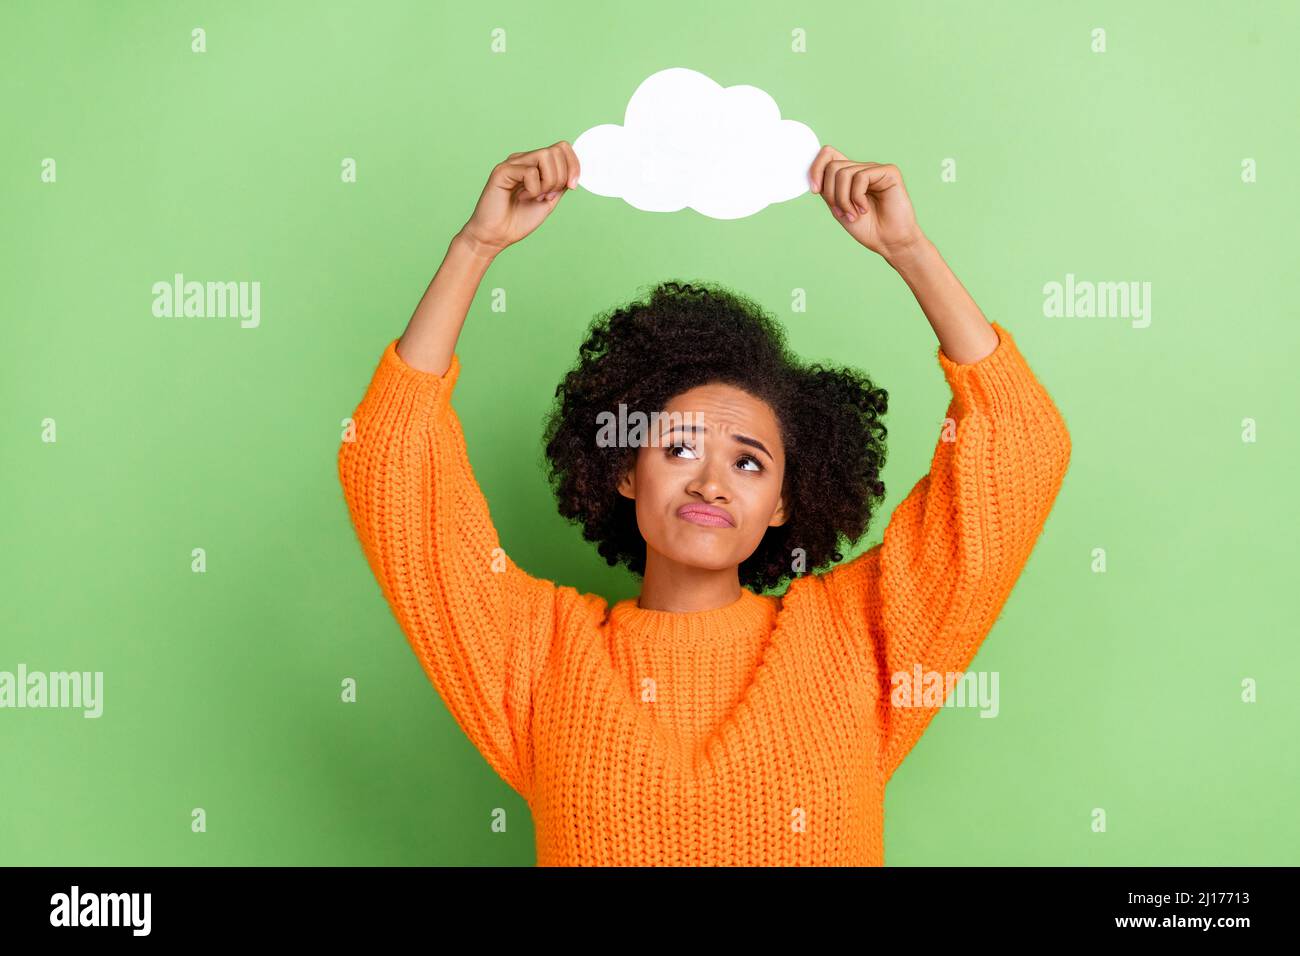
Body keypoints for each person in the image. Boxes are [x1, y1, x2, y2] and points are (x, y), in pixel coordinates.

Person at [337, 141, 1072, 866]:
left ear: (784, 501)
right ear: (626, 471)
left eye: (748, 463)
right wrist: (475, 248)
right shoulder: (538, 657)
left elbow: (1020, 448)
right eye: (680, 448)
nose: (711, 483)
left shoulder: (857, 642)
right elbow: (390, 469)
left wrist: (911, 249)